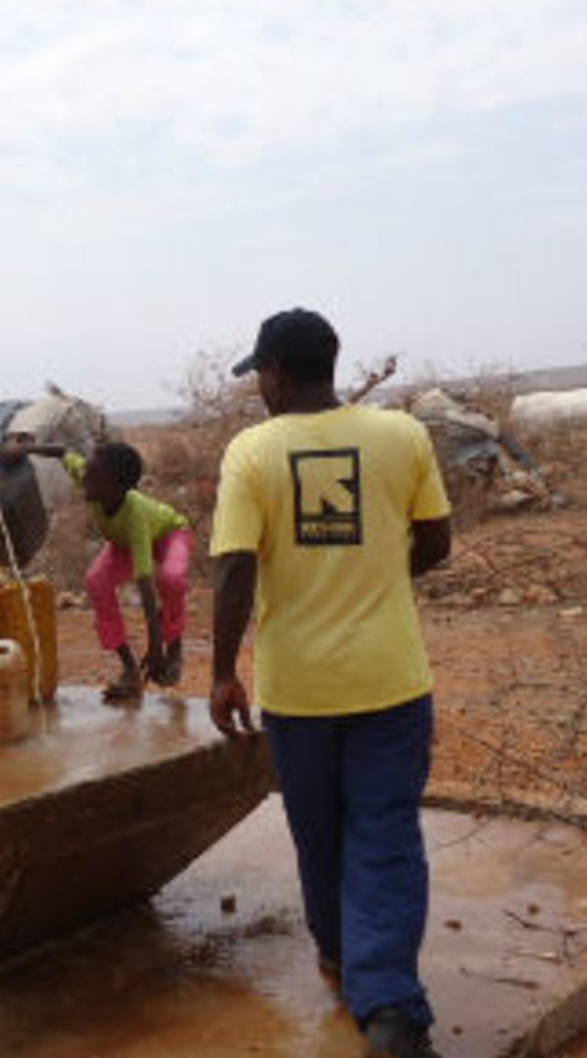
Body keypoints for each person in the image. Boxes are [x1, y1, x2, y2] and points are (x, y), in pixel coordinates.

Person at [207, 309, 453, 1058]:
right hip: (391, 681)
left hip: (299, 692)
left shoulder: (251, 453)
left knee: (319, 835)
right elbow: (437, 542)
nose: (259, 389)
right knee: (384, 832)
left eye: (260, 376)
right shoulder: (402, 435)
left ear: (276, 373)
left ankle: (350, 961)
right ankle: (389, 1012)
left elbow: (236, 570)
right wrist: (375, 573)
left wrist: (221, 674)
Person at [3, 438, 193, 702]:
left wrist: (156, 642)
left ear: (117, 487)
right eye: (87, 469)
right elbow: (63, 450)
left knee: (170, 579)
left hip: (169, 534)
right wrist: (22, 450)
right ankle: (129, 669)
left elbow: (145, 581)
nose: (84, 478)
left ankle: (174, 648)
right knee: (96, 582)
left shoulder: (134, 512)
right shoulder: (90, 477)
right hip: (122, 543)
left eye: (93, 474)